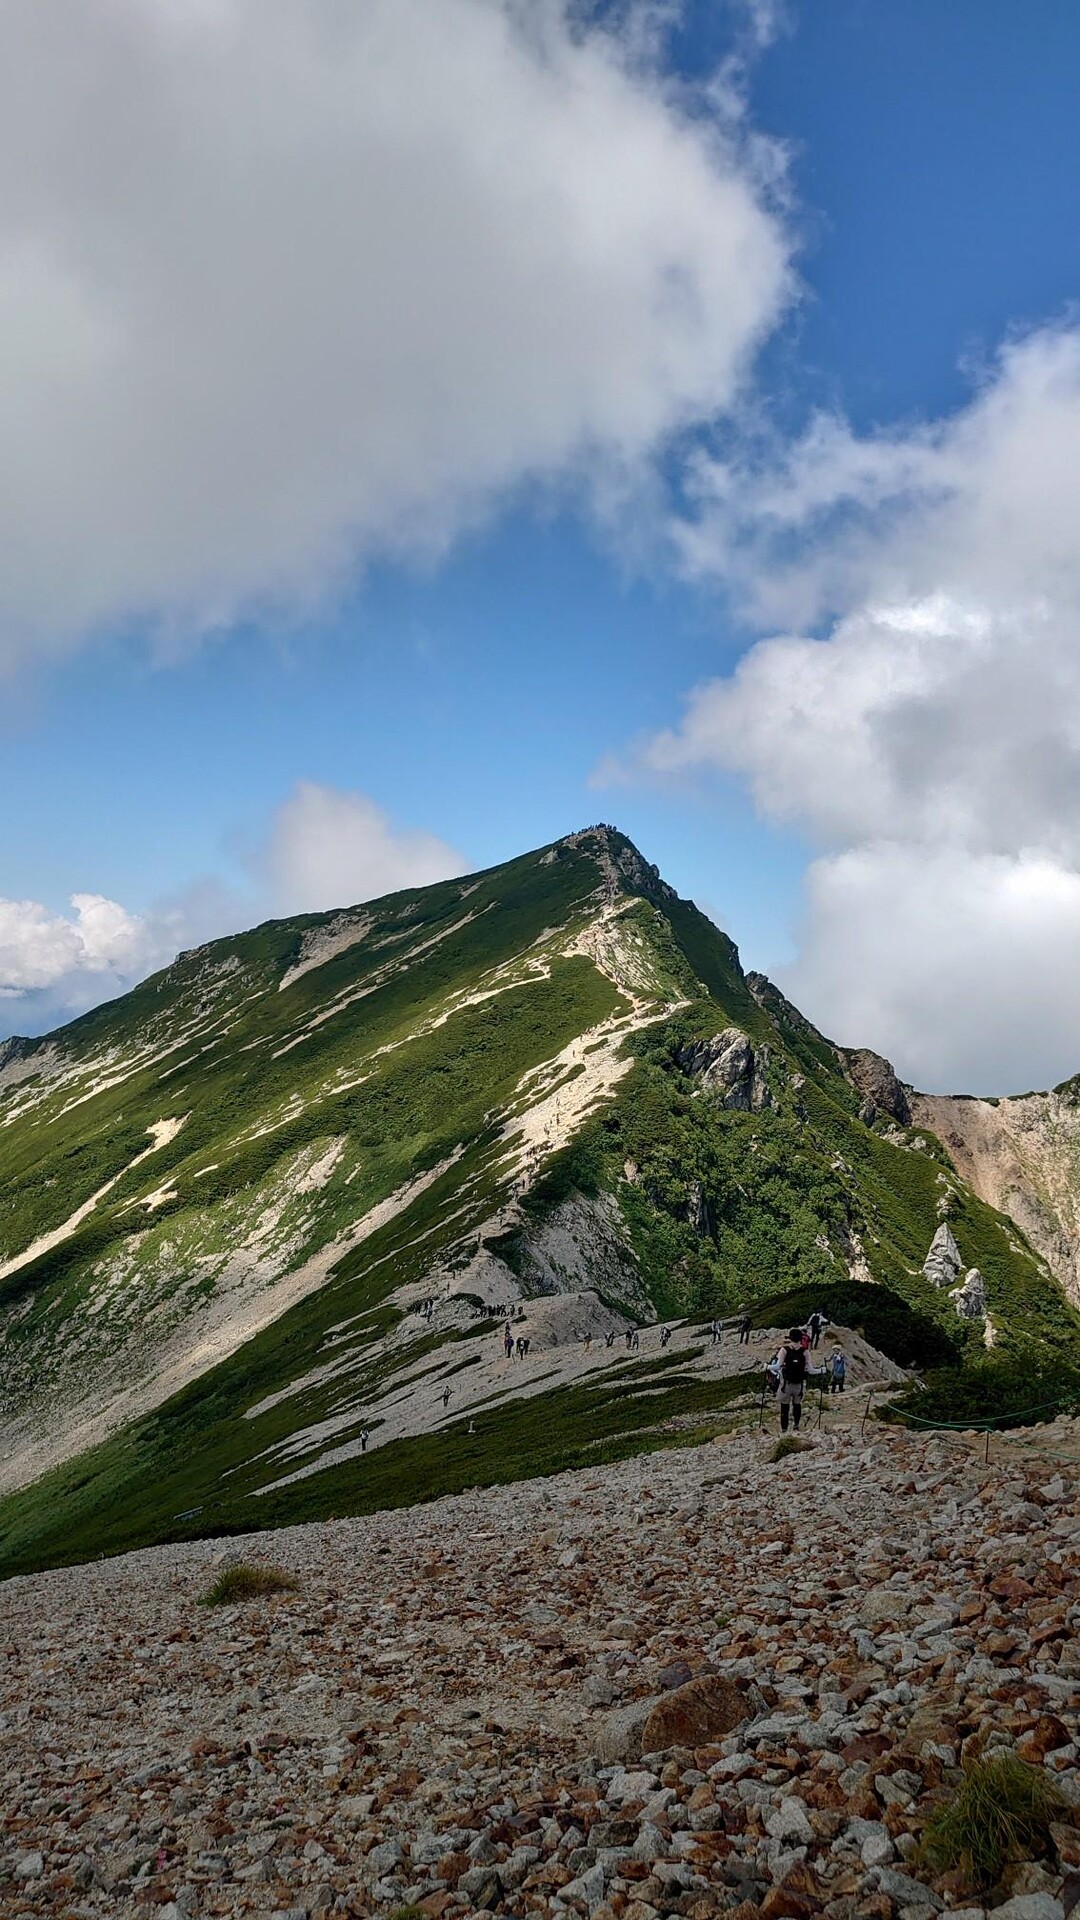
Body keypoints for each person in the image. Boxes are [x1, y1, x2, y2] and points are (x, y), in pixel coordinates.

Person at [776, 1326, 813, 1432]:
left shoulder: (784, 1350)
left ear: (790, 1338)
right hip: (799, 1384)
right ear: (801, 1338)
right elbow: (810, 1369)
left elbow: (778, 1365)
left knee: (784, 1407)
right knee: (797, 1405)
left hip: (786, 1384)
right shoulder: (805, 1351)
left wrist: (767, 1367)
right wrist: (822, 1370)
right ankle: (796, 1425)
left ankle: (784, 1429)